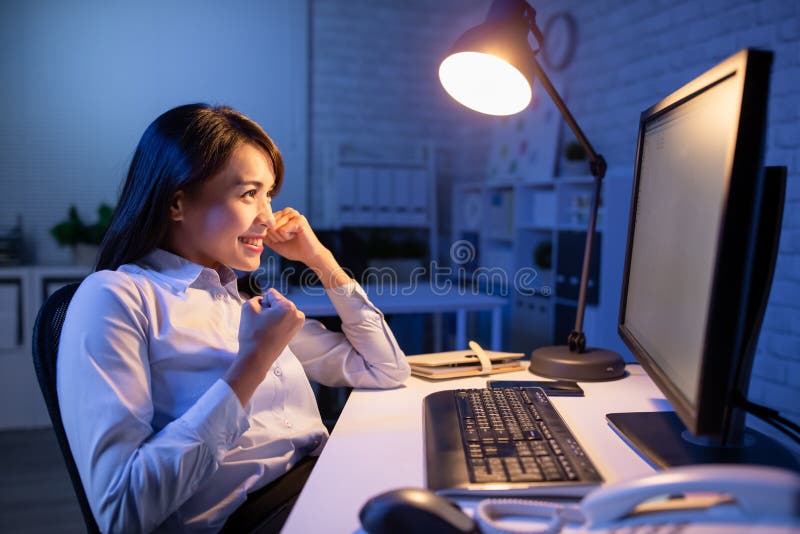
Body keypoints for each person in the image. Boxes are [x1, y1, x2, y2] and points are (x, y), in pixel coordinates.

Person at [57, 103, 411, 533]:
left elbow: (386, 369)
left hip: (321, 485)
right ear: (176, 203)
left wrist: (321, 259)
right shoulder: (117, 297)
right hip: (259, 520)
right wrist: (252, 362)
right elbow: (122, 512)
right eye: (248, 194)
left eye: (269, 196)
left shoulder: (243, 301)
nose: (267, 217)